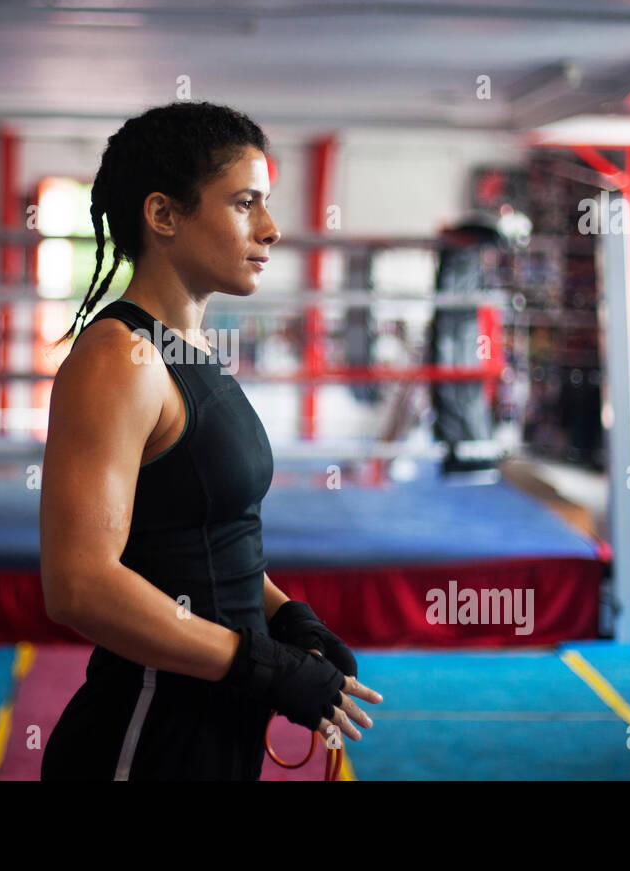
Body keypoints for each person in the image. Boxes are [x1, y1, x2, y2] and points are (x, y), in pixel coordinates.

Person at [39, 101, 381, 780]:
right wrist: (260, 665)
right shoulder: (119, 360)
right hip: (145, 733)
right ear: (164, 215)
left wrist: (286, 620)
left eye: (268, 203)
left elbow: (200, 545)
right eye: (245, 203)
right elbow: (79, 584)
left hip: (218, 724)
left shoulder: (191, 349)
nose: (272, 228)